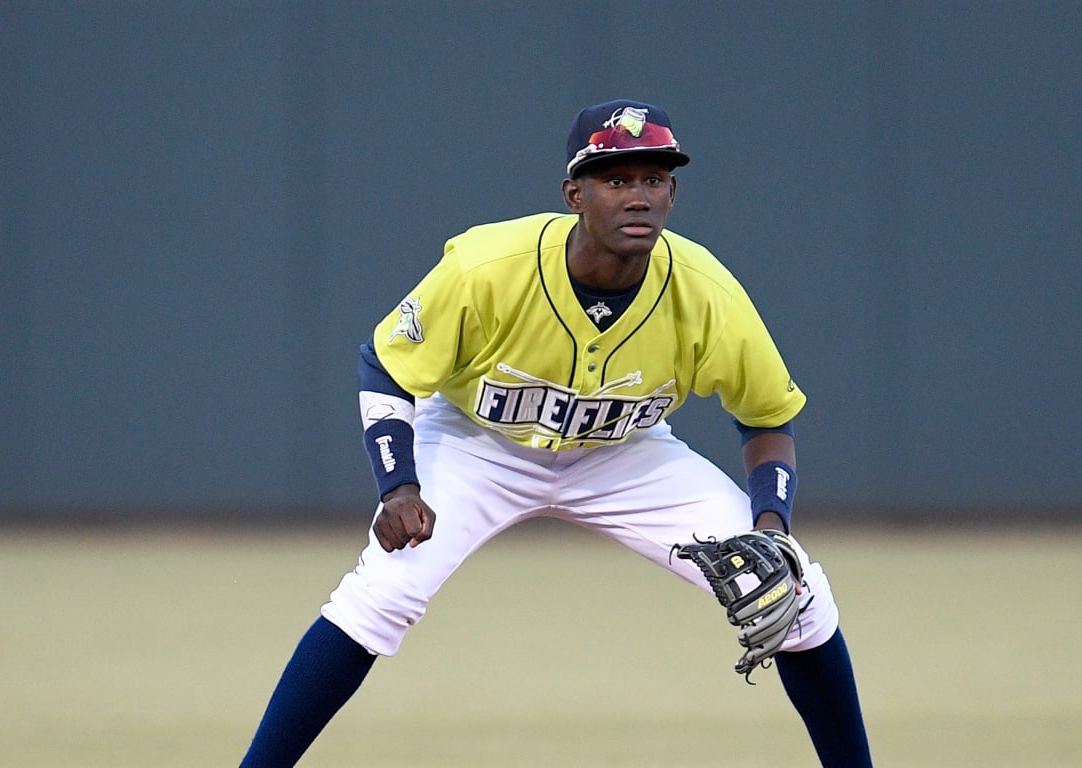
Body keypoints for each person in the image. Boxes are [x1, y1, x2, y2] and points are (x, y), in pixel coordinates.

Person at [239, 99, 873, 767]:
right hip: (478, 444)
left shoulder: (705, 290)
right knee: (382, 595)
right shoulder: (489, 265)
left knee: (793, 595)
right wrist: (398, 485)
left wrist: (771, 523)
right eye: (615, 179)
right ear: (574, 193)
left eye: (653, 179)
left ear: (673, 194)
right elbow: (386, 363)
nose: (637, 196)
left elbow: (768, 415)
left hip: (626, 457)